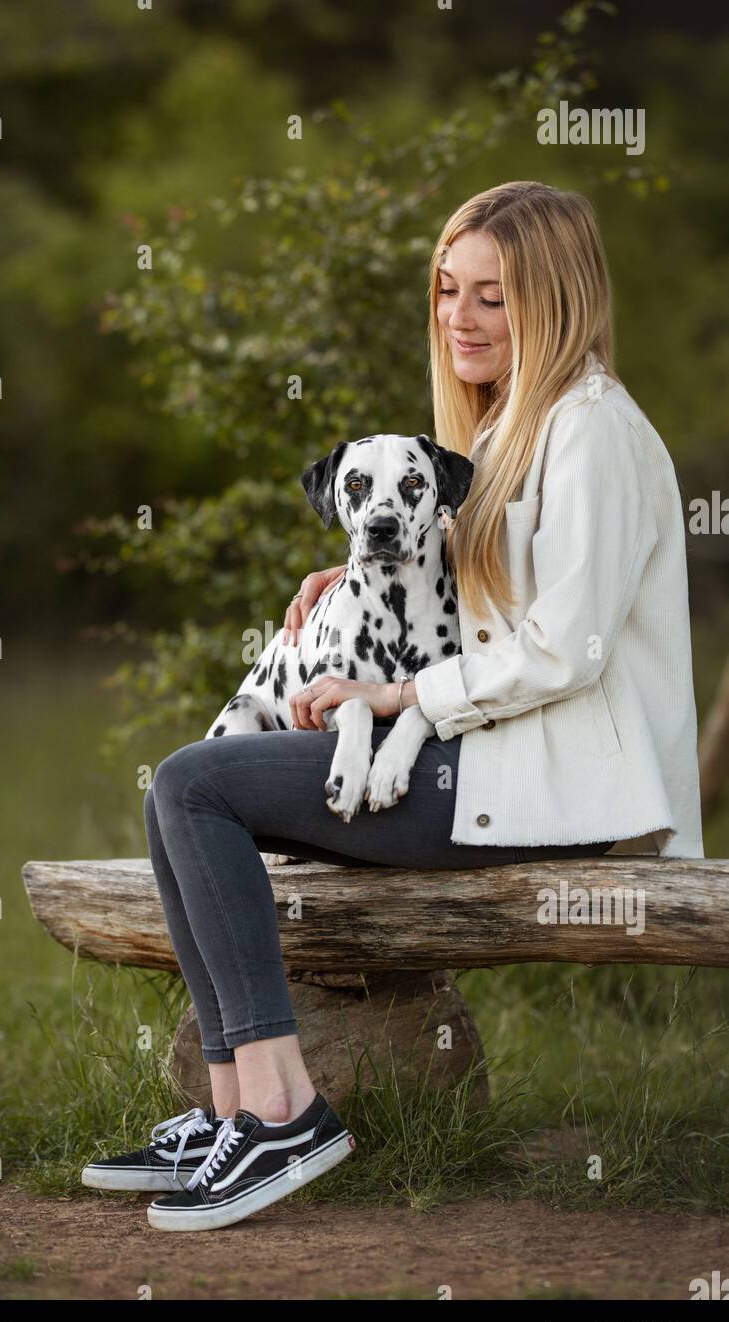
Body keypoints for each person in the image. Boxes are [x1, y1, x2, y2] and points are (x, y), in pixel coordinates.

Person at [82, 180, 703, 1232]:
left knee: (194, 787)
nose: (458, 318)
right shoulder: (518, 421)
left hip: (550, 783)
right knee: (175, 792)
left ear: (556, 298)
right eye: (446, 292)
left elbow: (564, 647)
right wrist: (353, 580)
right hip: (494, 758)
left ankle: (284, 1111)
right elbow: (475, 589)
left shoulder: (591, 430)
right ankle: (231, 1104)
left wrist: (401, 691)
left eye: (492, 298)